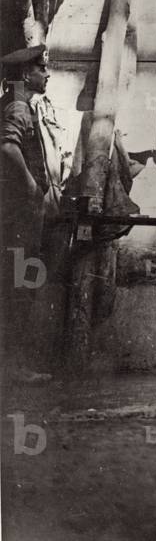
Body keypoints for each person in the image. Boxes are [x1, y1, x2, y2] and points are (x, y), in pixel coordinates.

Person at [1, 45, 69, 382]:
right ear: (27, 74)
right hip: (20, 217)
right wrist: (30, 187)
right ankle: (14, 369)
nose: (48, 74)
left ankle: (13, 366)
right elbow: (8, 147)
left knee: (19, 286)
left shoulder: (22, 105)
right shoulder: (19, 107)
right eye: (42, 68)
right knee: (19, 288)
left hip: (21, 216)